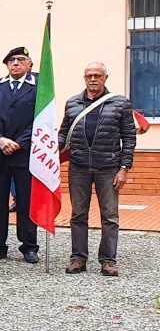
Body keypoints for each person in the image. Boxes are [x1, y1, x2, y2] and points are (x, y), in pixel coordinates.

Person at [59, 62, 136, 277]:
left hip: (109, 168)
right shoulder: (72, 103)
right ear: (84, 78)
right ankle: (78, 258)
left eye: (97, 75)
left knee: (110, 216)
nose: (93, 79)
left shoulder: (120, 103)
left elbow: (129, 137)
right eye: (89, 75)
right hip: (79, 167)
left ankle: (108, 261)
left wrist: (124, 168)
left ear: (105, 78)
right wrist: (50, 149)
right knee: (78, 214)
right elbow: (64, 133)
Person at [0, 46, 40, 264]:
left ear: (29, 64)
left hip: (24, 153)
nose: (15, 63)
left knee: (26, 202)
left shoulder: (39, 86)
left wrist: (19, 142)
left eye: (20, 59)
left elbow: (41, 118)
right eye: (11, 60)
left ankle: (29, 246)